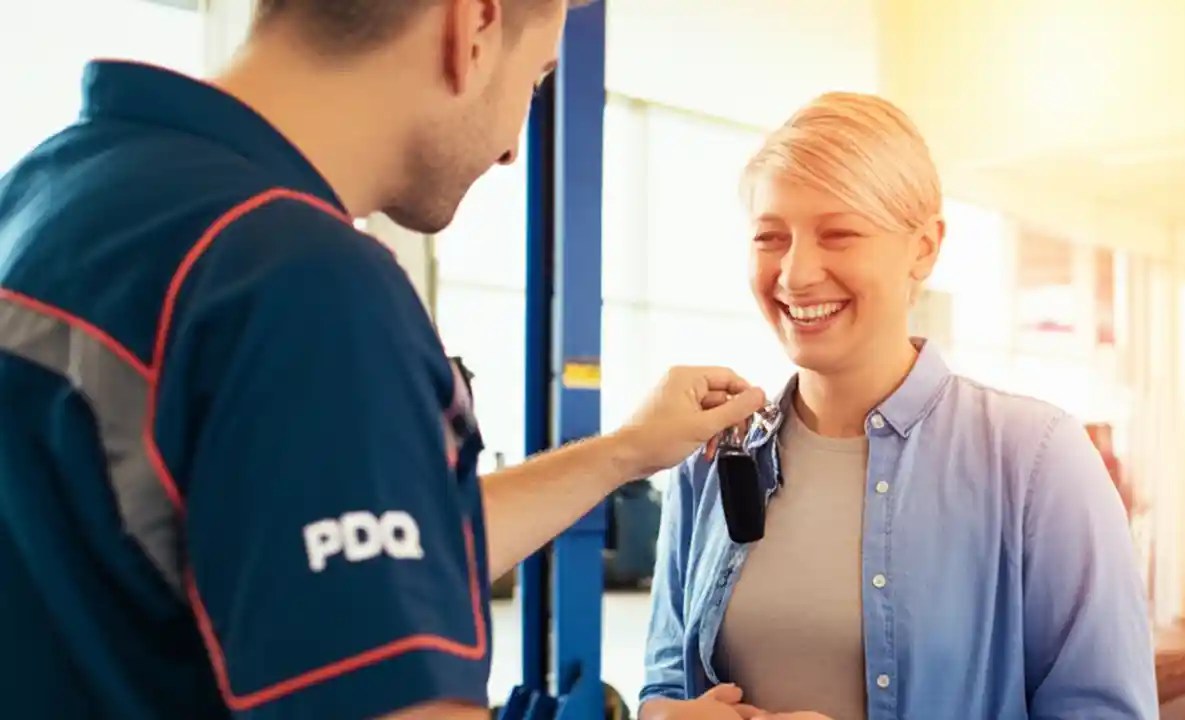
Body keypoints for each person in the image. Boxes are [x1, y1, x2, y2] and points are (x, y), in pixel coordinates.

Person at [0, 2, 766, 719]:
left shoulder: (57, 190)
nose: (510, 150)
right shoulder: (299, 281)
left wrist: (621, 454)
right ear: (473, 24)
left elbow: (317, 551)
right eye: (535, 81)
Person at [638, 93, 1159, 720]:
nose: (797, 273)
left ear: (924, 247)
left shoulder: (1036, 461)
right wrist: (663, 714)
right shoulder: (712, 458)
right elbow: (665, 680)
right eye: (771, 237)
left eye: (839, 234)